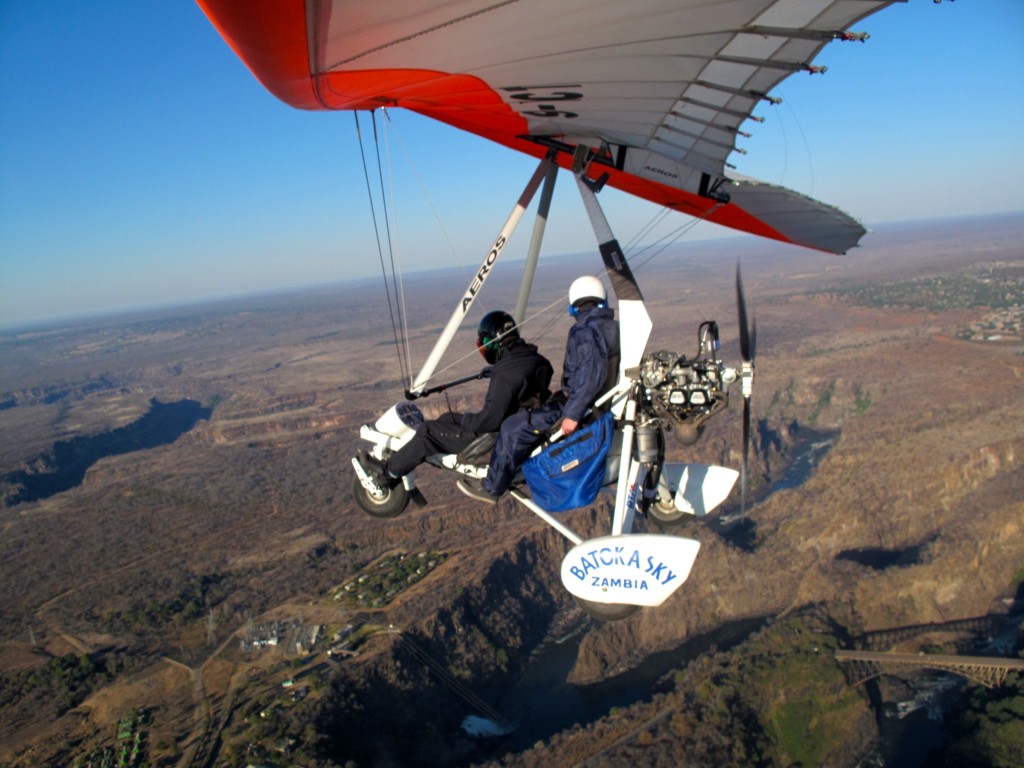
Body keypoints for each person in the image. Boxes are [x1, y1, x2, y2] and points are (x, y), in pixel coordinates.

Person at [458, 275, 620, 504]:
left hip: (574, 405)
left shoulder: (585, 331)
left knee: (512, 428)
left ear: (575, 304)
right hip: (586, 403)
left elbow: (590, 375)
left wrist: (572, 415)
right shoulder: (610, 327)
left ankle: (492, 489)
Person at [357, 310, 553, 492]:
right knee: (447, 418)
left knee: (428, 432)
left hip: (494, 439)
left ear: (491, 341)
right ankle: (405, 458)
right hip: (518, 424)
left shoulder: (506, 373)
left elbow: (489, 421)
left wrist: (468, 419)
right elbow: (522, 385)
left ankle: (386, 475)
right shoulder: (536, 360)